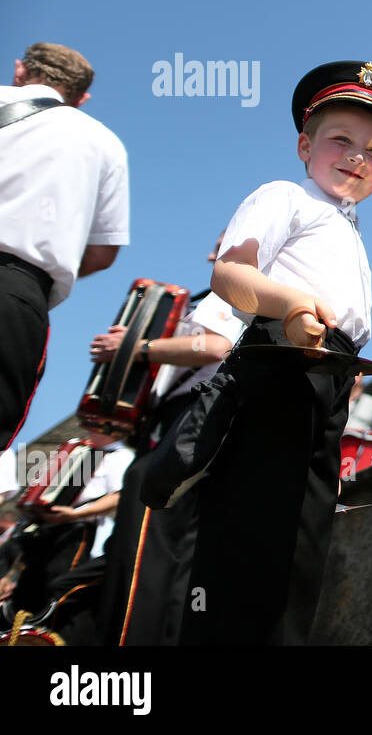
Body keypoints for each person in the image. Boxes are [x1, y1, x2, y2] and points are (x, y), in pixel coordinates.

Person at [175, 60, 372, 645]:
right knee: (250, 537)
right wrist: (288, 303)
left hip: (327, 380)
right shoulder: (285, 195)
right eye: (342, 140)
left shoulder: (350, 232)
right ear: (304, 145)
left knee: (300, 548)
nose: (359, 157)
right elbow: (231, 272)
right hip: (279, 361)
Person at [94, 237, 245, 645]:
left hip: (186, 420)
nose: (211, 254)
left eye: (221, 245)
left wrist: (135, 348)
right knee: (176, 559)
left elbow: (216, 346)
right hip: (184, 420)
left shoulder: (226, 295)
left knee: (144, 550)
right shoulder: (225, 297)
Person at [0, 43, 130, 450]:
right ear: (82, 97)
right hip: (16, 293)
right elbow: (102, 253)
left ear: (20, 69)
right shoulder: (105, 143)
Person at [0, 431, 133, 645]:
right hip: (42, 531)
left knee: (58, 593)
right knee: (26, 596)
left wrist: (74, 514)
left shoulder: (120, 456)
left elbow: (118, 496)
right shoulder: (76, 449)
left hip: (75, 531)